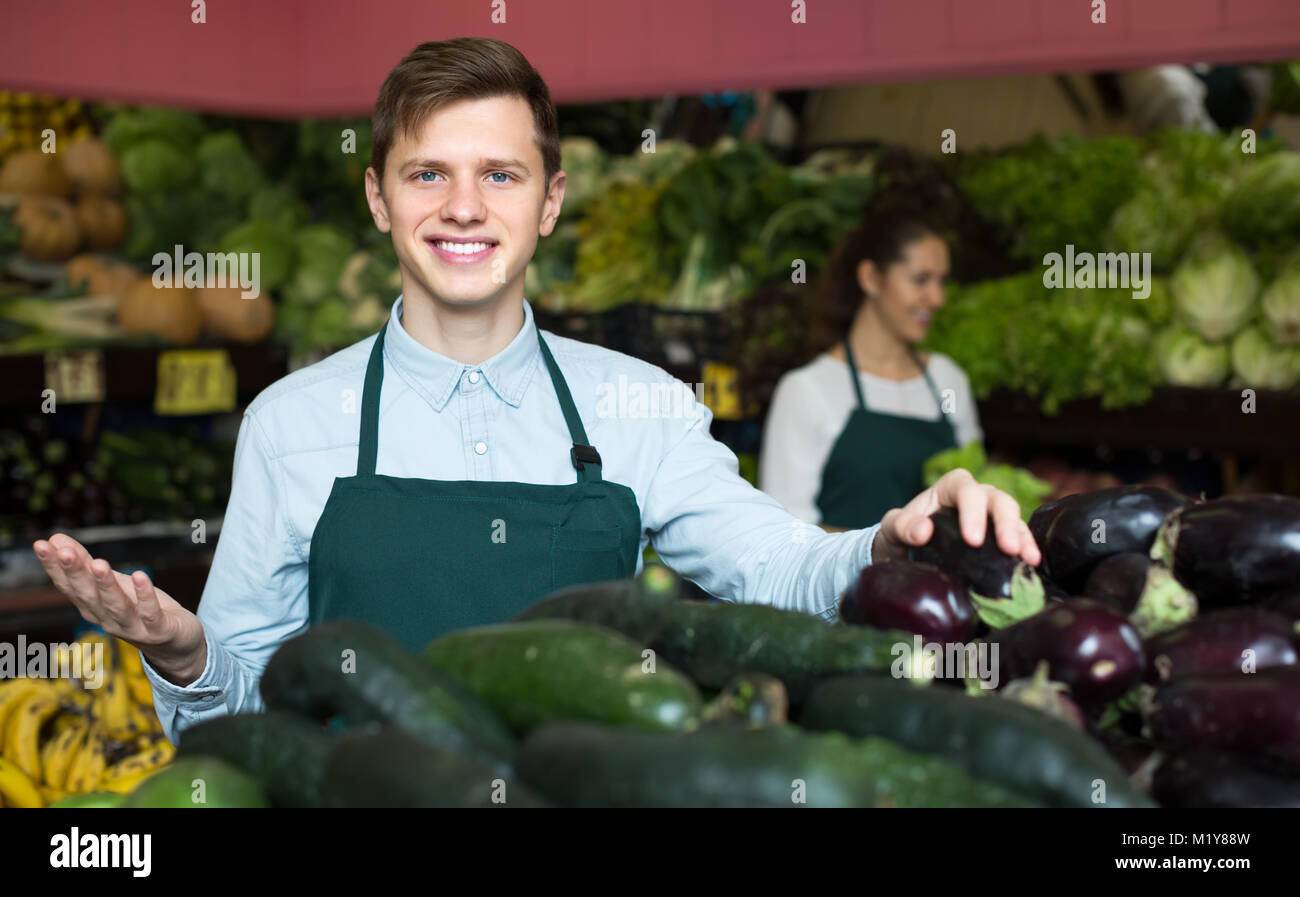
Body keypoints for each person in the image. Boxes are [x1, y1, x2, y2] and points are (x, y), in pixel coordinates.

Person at [30, 38, 1036, 743]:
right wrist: (185, 650)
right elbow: (246, 714)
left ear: (550, 200)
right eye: (427, 175)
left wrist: (890, 541)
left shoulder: (640, 406)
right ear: (378, 195)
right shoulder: (292, 424)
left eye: (501, 176)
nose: (463, 206)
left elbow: (777, 570)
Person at [759, 196, 983, 530]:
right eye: (921, 279)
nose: (937, 299)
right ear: (870, 278)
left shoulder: (949, 380)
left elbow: (974, 497)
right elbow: (783, 534)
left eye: (941, 281)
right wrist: (887, 549)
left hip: (942, 585)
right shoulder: (807, 390)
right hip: (845, 584)